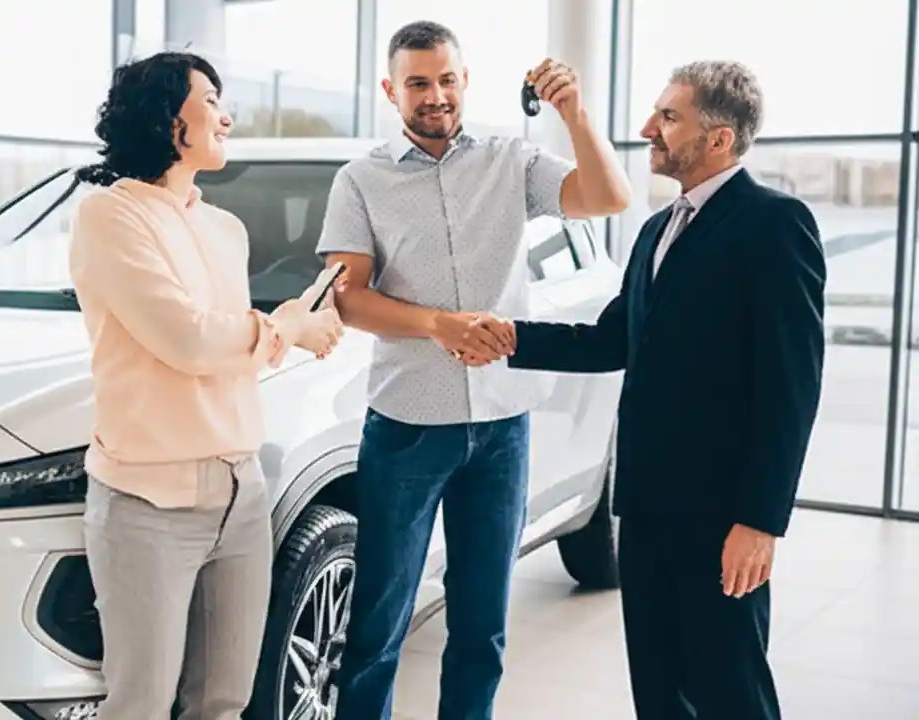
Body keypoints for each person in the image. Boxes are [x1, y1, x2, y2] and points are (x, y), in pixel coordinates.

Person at [317, 20, 631, 720]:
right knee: (378, 623)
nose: (437, 96)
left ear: (465, 81)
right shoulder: (360, 179)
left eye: (448, 79)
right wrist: (438, 325)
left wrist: (575, 114)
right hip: (407, 426)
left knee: (482, 626)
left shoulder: (510, 161)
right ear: (390, 89)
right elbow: (349, 296)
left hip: (501, 428)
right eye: (420, 83)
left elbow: (607, 198)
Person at [499, 60, 825, 719]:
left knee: (730, 691)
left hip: (718, 518)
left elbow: (792, 386)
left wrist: (760, 522)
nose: (648, 128)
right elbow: (612, 341)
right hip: (644, 512)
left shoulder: (775, 224)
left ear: (719, 139)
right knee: (659, 689)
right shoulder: (656, 229)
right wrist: (508, 337)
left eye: (668, 117)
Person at [68, 51, 346, 720]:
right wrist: (284, 331)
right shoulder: (111, 215)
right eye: (211, 99)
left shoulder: (225, 229)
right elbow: (188, 339)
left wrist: (288, 328)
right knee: (138, 704)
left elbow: (226, 349)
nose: (227, 114)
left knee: (224, 702)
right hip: (145, 504)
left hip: (241, 494)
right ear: (169, 119)